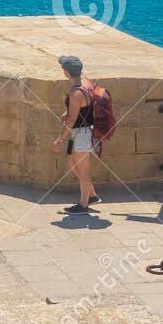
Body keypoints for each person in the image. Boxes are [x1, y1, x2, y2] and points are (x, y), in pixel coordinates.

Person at [53, 54, 100, 213]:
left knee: (83, 170)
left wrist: (60, 139)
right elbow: (76, 112)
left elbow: (72, 120)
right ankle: (92, 195)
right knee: (72, 162)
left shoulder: (76, 93)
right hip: (77, 134)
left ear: (66, 72)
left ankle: (83, 205)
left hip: (81, 135)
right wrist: (68, 111)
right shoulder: (84, 84)